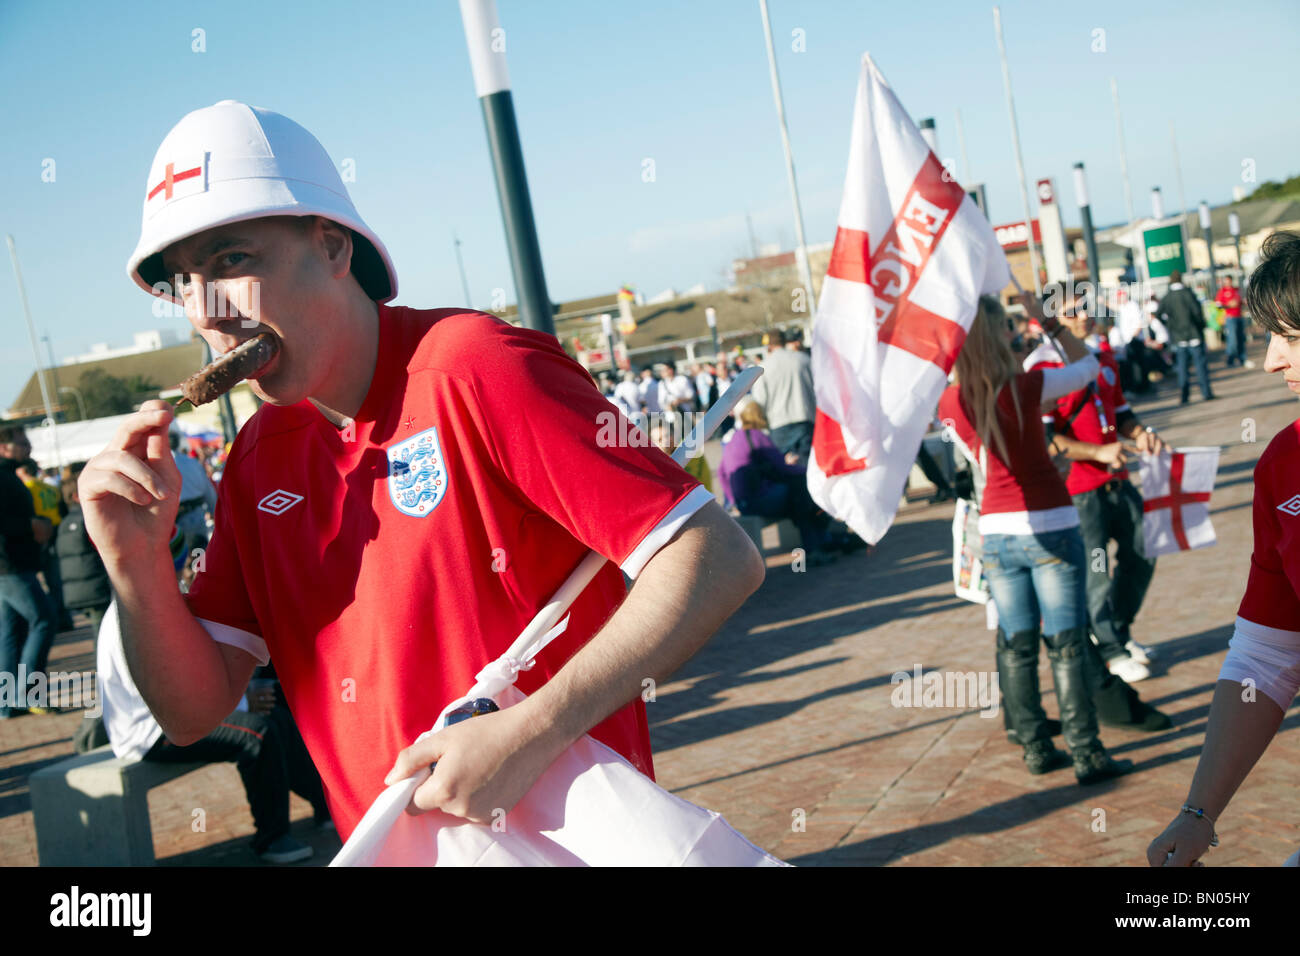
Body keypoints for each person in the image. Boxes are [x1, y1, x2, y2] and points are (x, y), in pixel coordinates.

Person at [82, 100, 763, 841]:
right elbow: (192, 711)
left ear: (333, 246)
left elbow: (717, 555)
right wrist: (137, 565)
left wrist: (532, 730)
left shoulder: (476, 365)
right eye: (183, 282)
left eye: (232, 262)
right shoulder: (257, 453)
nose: (207, 311)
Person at [1148, 232, 1300, 867]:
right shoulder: (1284, 463)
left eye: (1290, 336)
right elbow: (1267, 655)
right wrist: (1197, 812)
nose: (1269, 360)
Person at [938, 293, 1130, 783]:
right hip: (1048, 520)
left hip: (996, 530)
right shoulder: (1027, 385)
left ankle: (1036, 747)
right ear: (999, 335)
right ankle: (1087, 753)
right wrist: (1047, 320)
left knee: (1015, 642)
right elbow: (1087, 366)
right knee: (1065, 641)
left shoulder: (951, 401)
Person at [96, 599, 324, 863]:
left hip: (172, 715)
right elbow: (164, 691)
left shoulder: (156, 601)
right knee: (257, 735)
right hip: (150, 731)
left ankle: (322, 802)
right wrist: (242, 701)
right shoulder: (137, 611)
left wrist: (244, 696)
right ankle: (271, 839)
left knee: (277, 717)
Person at [1025, 291, 1166, 686]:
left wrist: (1144, 437)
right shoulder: (1042, 366)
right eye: (1070, 311)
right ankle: (1109, 649)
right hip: (1079, 487)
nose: (1082, 315)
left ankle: (1117, 631)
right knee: (1098, 569)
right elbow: (1047, 439)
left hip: (1117, 479)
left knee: (1144, 549)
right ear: (1051, 319)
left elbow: (1123, 414)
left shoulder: (1101, 358)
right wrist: (1098, 452)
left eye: (1084, 307)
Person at [716, 399, 858, 565]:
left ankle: (820, 543)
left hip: (745, 502)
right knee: (802, 493)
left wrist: (735, 502)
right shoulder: (756, 436)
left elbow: (721, 473)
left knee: (798, 496)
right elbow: (782, 469)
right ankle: (817, 545)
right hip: (759, 500)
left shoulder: (734, 439)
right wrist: (810, 472)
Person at [0, 426, 58, 719]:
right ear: (3, 447)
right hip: (10, 565)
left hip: (12, 564)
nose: (28, 447)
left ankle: (8, 702)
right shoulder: (4, 476)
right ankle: (27, 693)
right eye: (22, 443)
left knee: (11, 631)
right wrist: (31, 527)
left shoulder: (10, 475)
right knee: (44, 619)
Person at [56, 462, 114, 751]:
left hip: (80, 593)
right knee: (104, 646)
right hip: (97, 590)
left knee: (99, 641)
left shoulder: (66, 521)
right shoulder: (90, 518)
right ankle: (103, 711)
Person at [16, 457, 73, 633]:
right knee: (55, 579)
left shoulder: (26, 488)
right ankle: (64, 617)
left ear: (23, 471)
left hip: (38, 534)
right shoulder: (49, 487)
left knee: (35, 581)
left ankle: (53, 618)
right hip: (55, 530)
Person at [749, 326, 816, 465]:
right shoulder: (803, 360)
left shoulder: (763, 368)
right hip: (805, 419)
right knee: (808, 466)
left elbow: (760, 401)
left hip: (778, 425)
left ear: (768, 346)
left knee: (784, 470)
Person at [1158, 271, 1216, 404]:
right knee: (1200, 365)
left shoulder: (1167, 297)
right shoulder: (1188, 294)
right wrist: (1201, 327)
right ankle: (1206, 393)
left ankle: (1184, 396)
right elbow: (1197, 312)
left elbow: (1158, 314)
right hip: (1194, 334)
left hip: (1179, 337)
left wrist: (1169, 325)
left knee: (1182, 368)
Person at [1216, 274, 1253, 369]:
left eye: (1229, 280)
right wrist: (1228, 305)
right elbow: (1218, 306)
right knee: (1232, 340)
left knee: (1241, 338)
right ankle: (1230, 359)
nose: (1227, 282)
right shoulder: (1222, 291)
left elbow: (1239, 301)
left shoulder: (1236, 290)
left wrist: (1243, 302)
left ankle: (1242, 358)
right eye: (1226, 281)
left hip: (1239, 316)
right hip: (1230, 318)